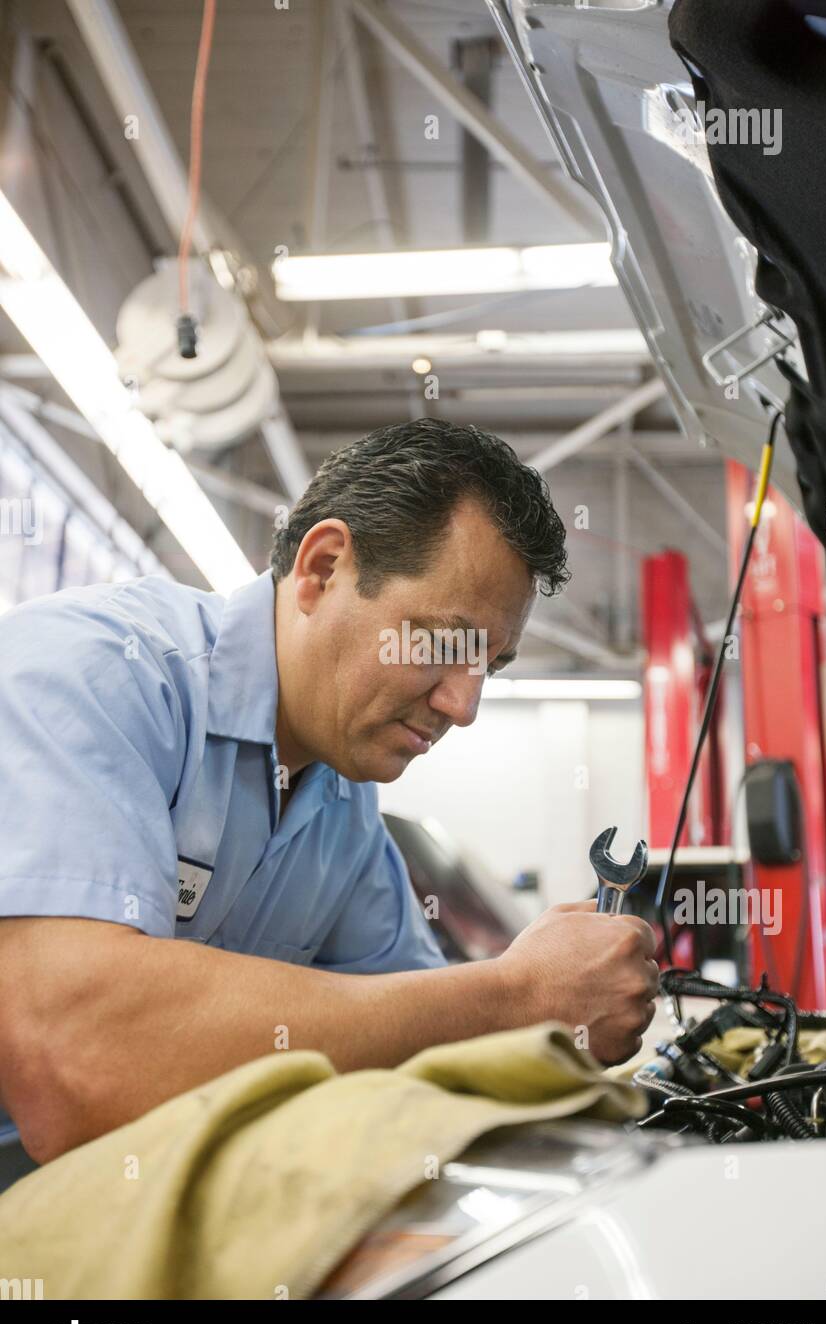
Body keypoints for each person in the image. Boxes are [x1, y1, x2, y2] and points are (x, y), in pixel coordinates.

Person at [0, 418, 657, 1163]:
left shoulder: (341, 812)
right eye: (443, 645)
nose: (464, 707)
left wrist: (556, 1013)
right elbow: (72, 1068)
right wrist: (515, 997)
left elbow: (423, 1045)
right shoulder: (92, 676)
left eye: (490, 667)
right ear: (322, 568)